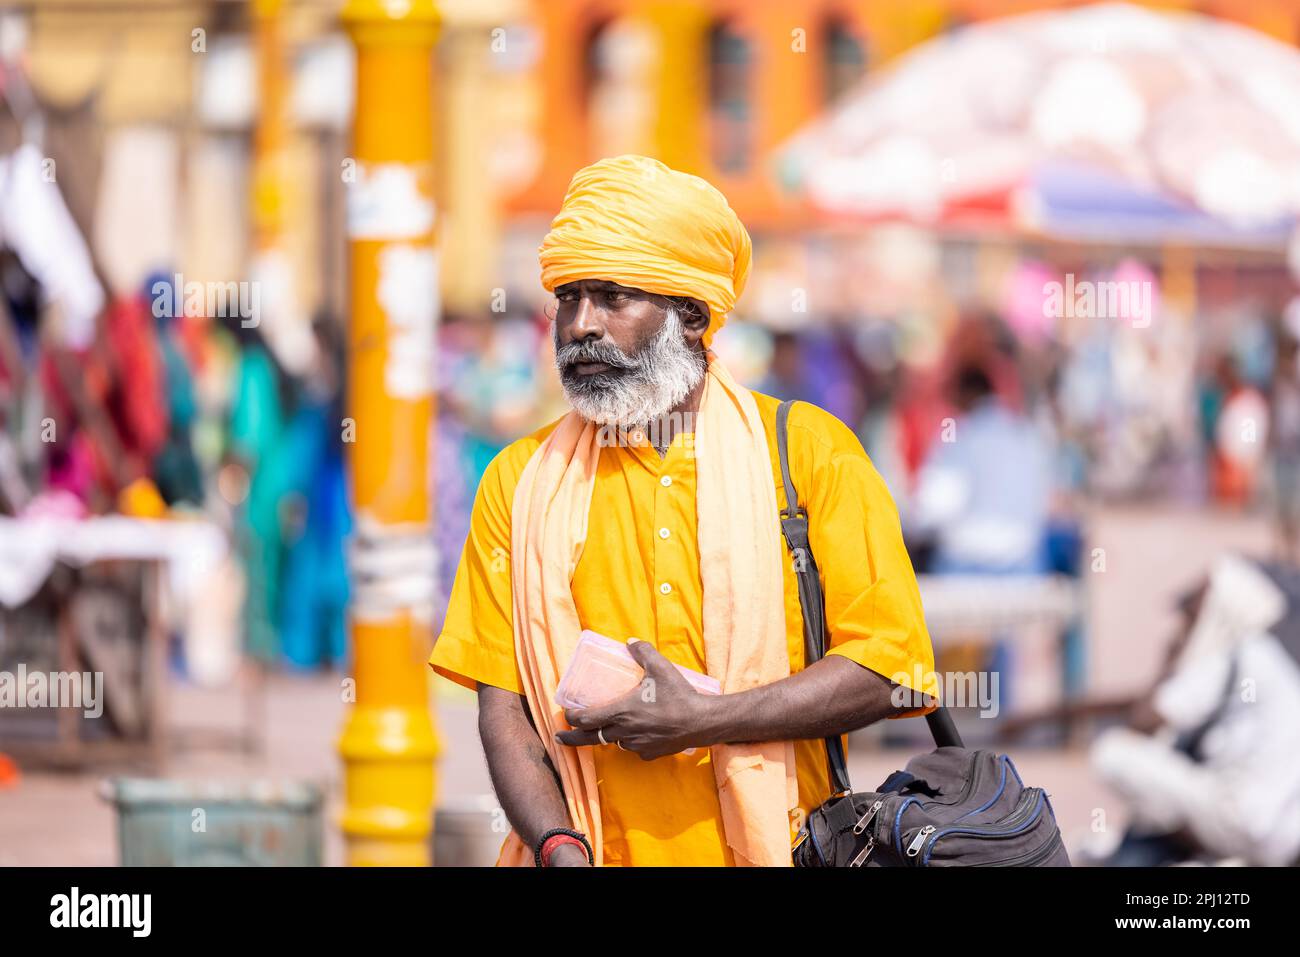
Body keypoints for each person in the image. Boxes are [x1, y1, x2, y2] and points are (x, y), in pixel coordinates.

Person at [429, 155, 938, 867]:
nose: (580, 326)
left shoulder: (807, 455)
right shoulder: (518, 481)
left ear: (692, 315)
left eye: (611, 296)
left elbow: (894, 668)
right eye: (568, 297)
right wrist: (558, 846)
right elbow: (504, 706)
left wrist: (706, 720)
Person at [1090, 555, 1300, 867]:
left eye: (1197, 602)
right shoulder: (1271, 657)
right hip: (1284, 835)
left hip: (1246, 823)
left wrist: (1171, 655)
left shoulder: (1235, 656)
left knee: (1113, 752)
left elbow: (1143, 721)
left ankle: (1198, 849)